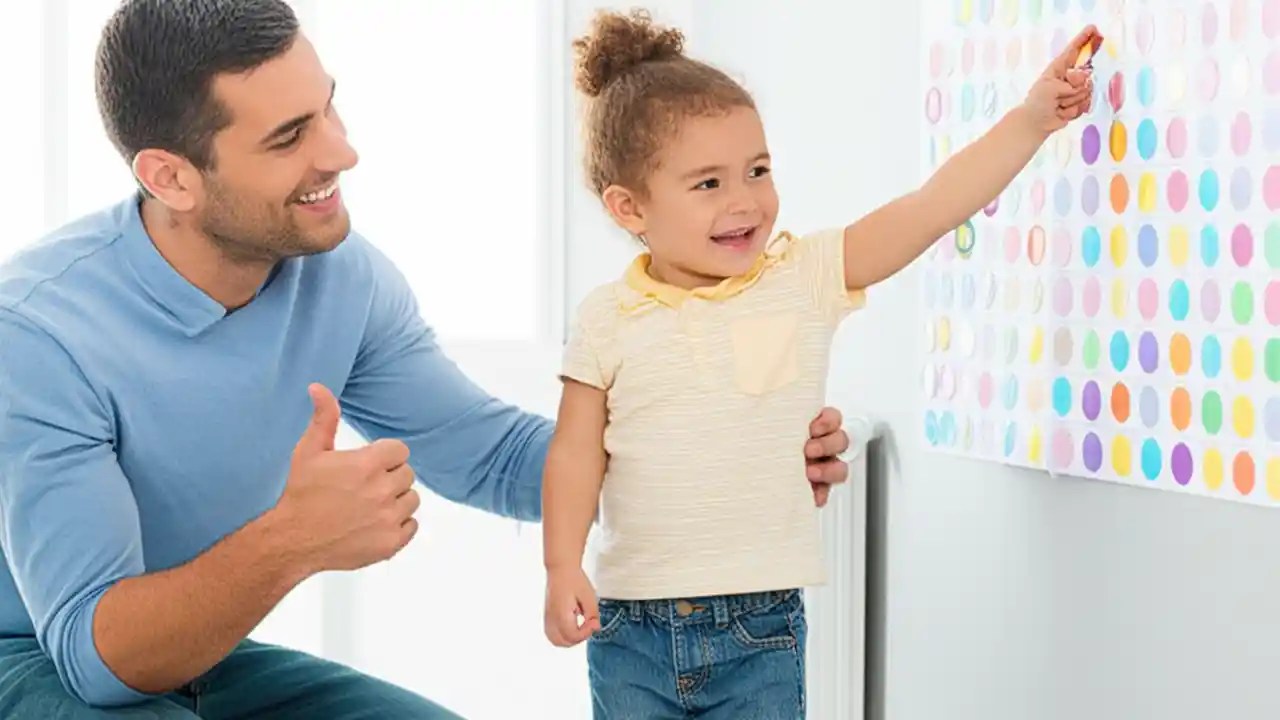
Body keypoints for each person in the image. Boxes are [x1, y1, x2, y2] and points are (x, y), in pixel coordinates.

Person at [0, 1, 855, 718]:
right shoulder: (39, 333)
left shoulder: (339, 278)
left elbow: (490, 454)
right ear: (171, 177)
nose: (340, 152)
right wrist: (292, 542)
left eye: (329, 108)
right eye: (290, 135)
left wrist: (722, 452)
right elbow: (90, 658)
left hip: (202, 653)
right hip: (38, 656)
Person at [540, 9, 1100, 719]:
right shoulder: (604, 319)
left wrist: (1029, 120)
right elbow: (573, 455)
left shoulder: (801, 277)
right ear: (629, 208)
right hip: (631, 630)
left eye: (758, 170)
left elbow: (930, 209)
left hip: (759, 628)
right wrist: (562, 566)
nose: (745, 199)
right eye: (708, 184)